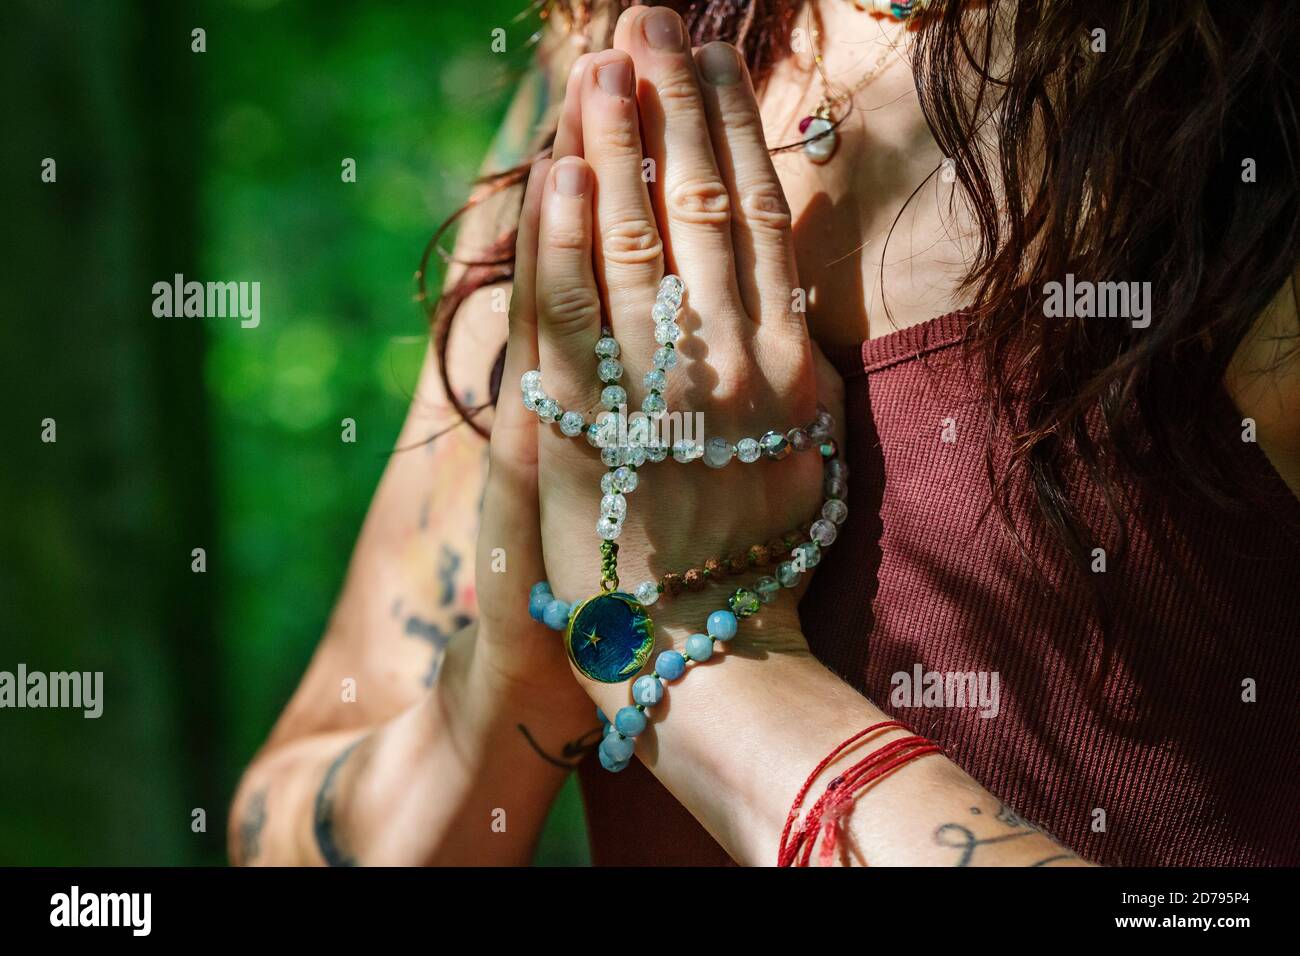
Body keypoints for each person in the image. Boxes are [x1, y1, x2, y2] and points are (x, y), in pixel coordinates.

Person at [229, 1, 1300, 867]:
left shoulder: (1250, 124)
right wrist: (510, 680)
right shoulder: (607, 67)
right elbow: (284, 820)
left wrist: (708, 667)